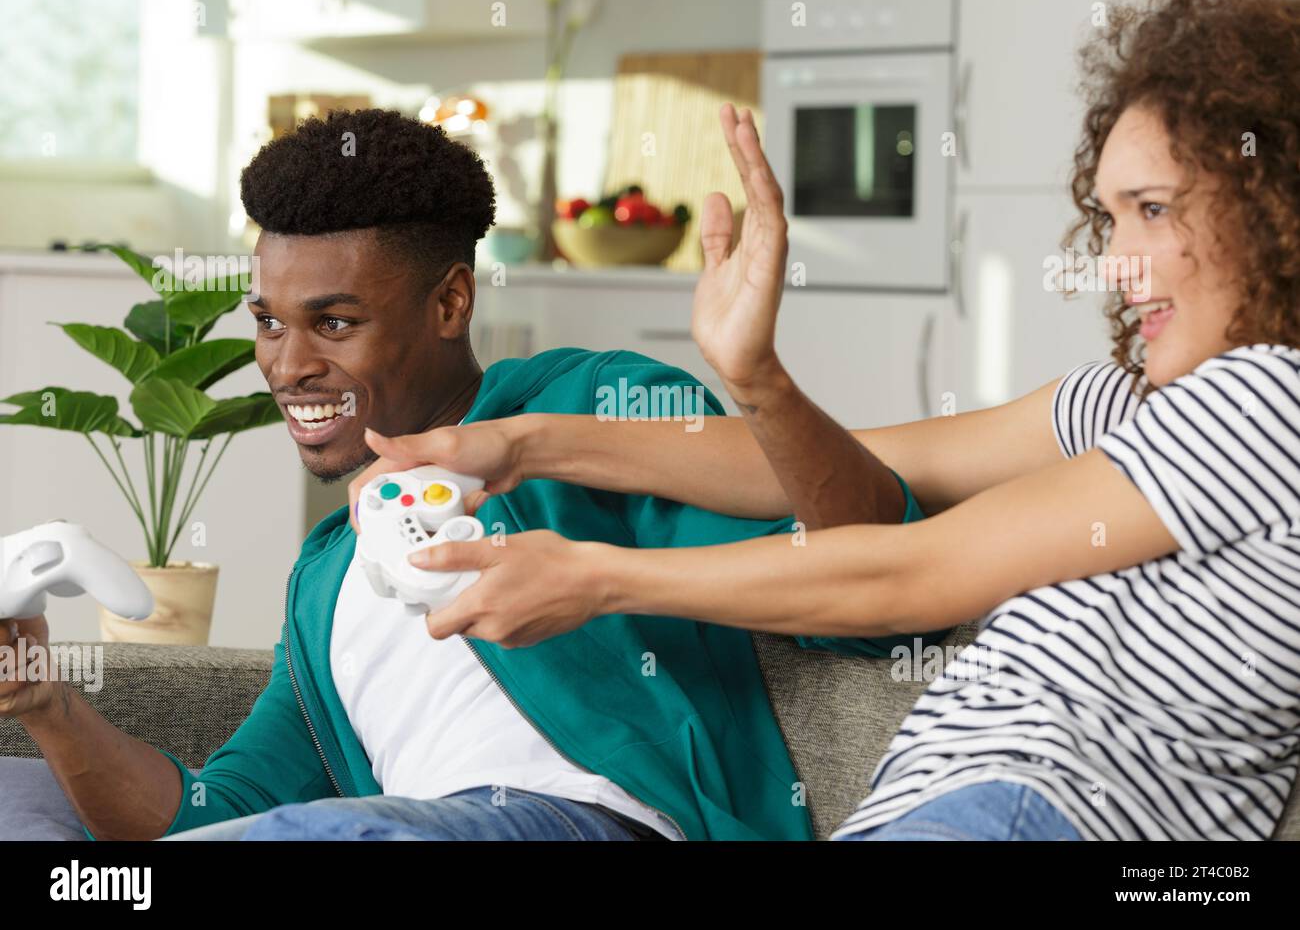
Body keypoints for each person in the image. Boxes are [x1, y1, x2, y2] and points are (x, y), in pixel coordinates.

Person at [354, 0, 1300, 840]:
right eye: (1111, 215)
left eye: (1156, 209)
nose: (1113, 262)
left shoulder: (1268, 398)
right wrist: (524, 443)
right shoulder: (1123, 405)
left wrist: (600, 577)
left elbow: (912, 573)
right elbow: (855, 469)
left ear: (1276, 205)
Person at [1, 109, 937, 843]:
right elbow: (217, 809)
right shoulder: (325, 574)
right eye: (270, 322)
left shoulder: (597, 403)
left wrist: (753, 376)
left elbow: (872, 564)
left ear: (451, 301)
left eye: (333, 323)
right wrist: (45, 702)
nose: (286, 366)